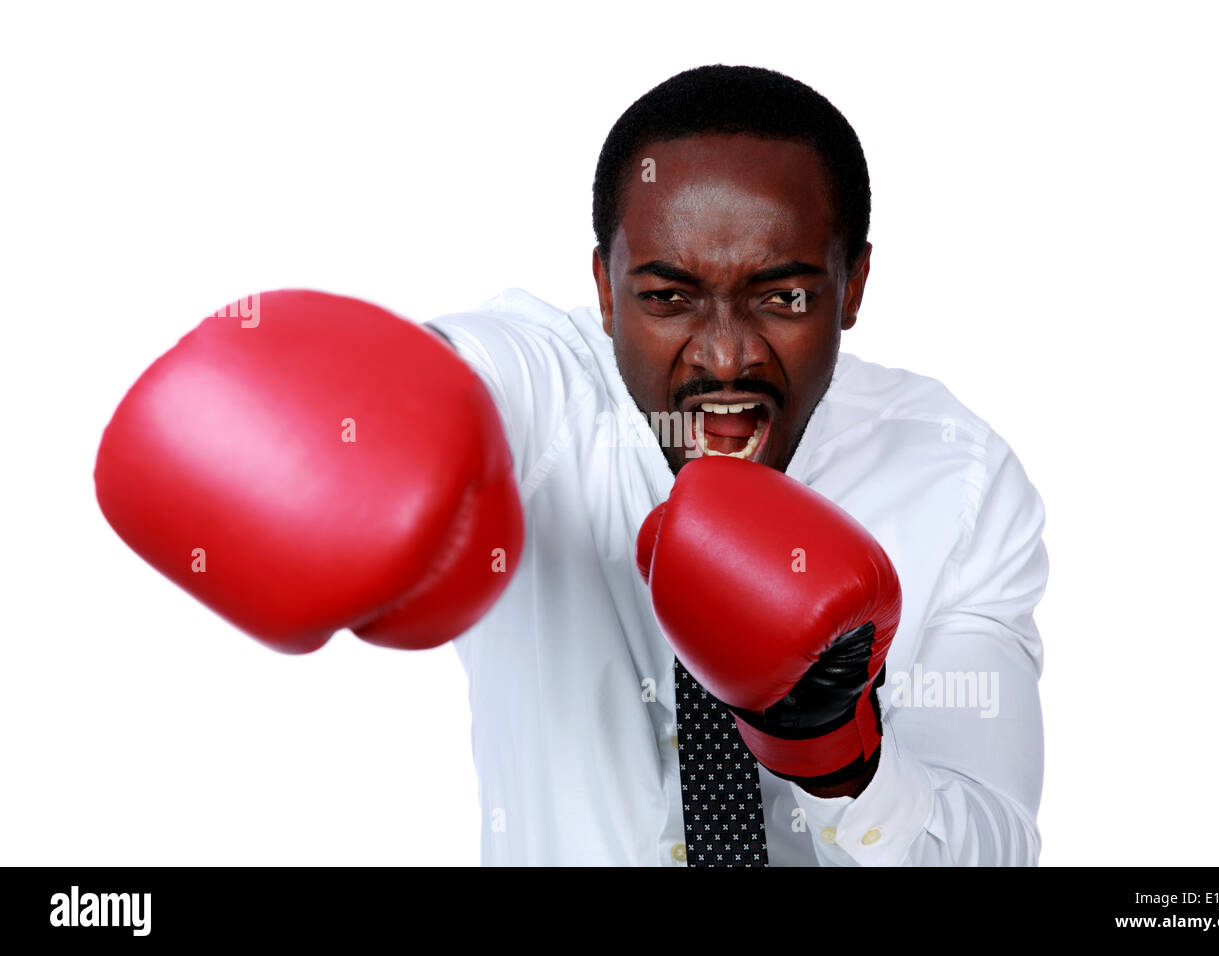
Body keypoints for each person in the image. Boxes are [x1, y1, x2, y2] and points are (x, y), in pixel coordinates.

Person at [95, 64, 1048, 866]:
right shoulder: (548, 401)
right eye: (667, 297)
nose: (725, 357)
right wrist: (346, 421)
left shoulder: (960, 483)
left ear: (854, 286)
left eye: (784, 296)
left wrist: (840, 757)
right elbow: (454, 373)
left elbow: (995, 847)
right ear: (602, 288)